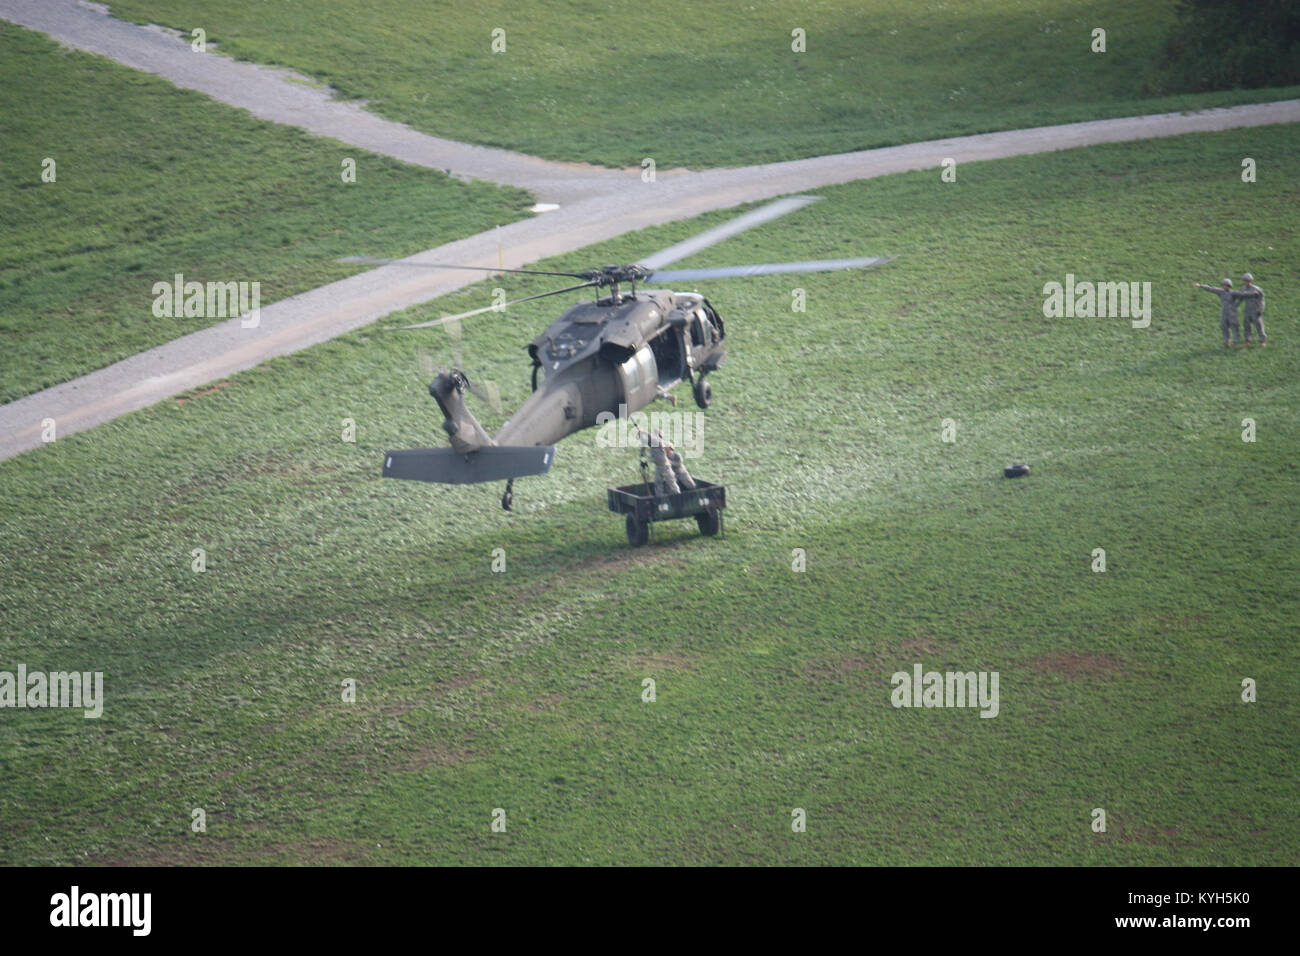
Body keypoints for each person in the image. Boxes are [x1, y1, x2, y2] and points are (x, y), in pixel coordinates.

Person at [1192, 278, 1249, 347]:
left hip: (1232, 313)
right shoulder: (1221, 292)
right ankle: (1226, 341)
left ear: (1229, 286)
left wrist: (1246, 292)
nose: (1225, 287)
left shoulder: (1234, 293)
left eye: (1227, 285)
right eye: (1224, 285)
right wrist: (1201, 286)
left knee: (1234, 327)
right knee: (1224, 327)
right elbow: (1211, 289)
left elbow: (1242, 295)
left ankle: (1236, 342)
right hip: (1224, 312)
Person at [1239, 273, 1266, 346]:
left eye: (1247, 280)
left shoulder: (1257, 289)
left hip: (1255, 310)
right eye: (1244, 280)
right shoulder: (1243, 289)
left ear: (1250, 281)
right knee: (1247, 326)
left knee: (1259, 325)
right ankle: (1247, 340)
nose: (1246, 282)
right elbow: (1240, 298)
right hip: (1247, 310)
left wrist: (1260, 308)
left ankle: (1262, 340)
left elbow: (1262, 299)